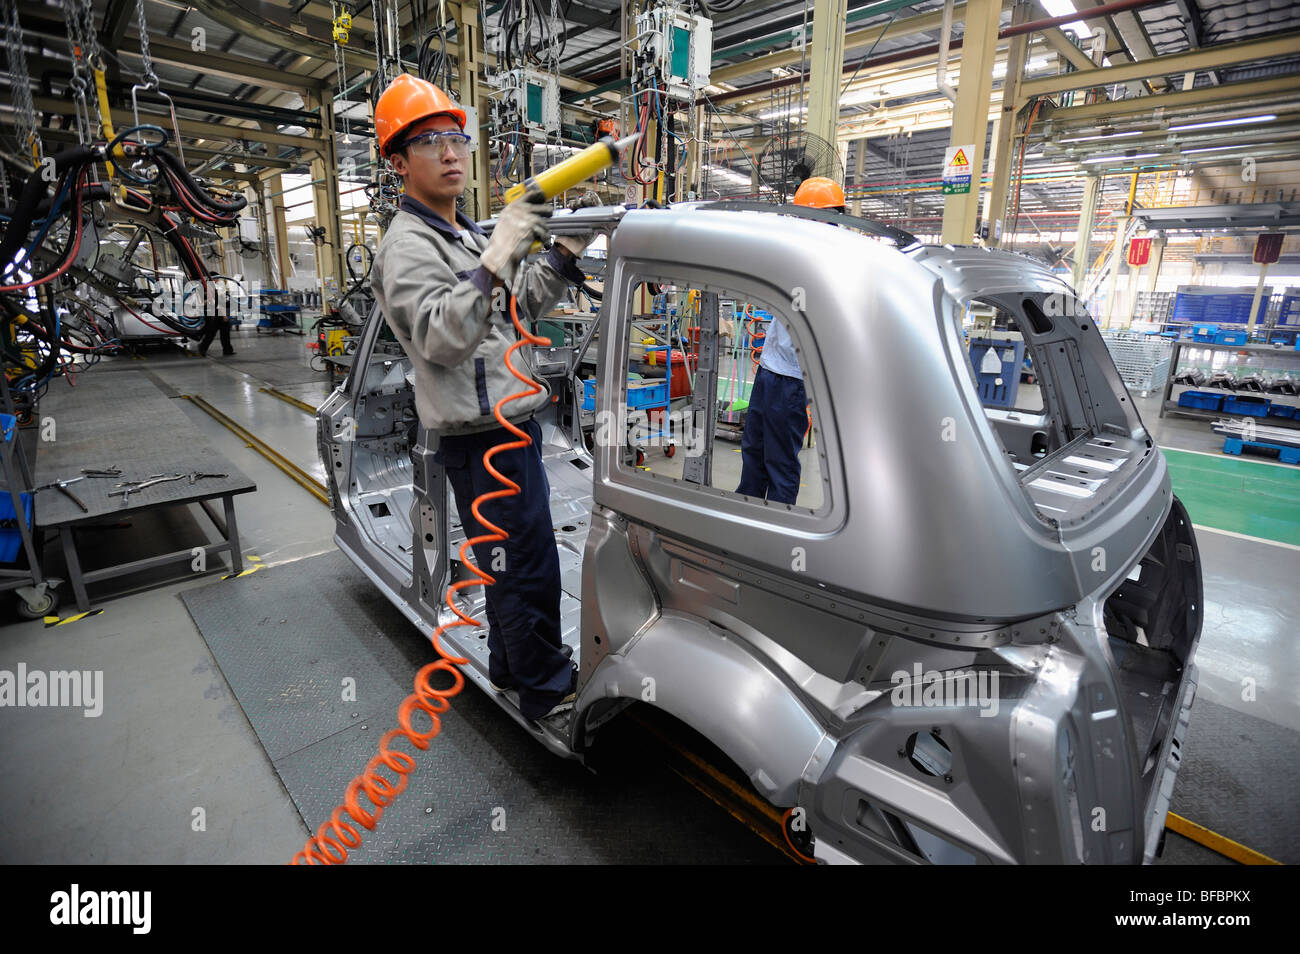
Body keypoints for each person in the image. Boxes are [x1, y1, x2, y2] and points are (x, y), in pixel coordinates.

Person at [370, 74, 593, 723]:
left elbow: (513, 309)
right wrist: (496, 255)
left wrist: (561, 255)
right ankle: (547, 688)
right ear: (398, 160)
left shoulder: (460, 235)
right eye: (429, 140)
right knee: (527, 566)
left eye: (455, 137)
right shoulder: (406, 248)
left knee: (505, 563)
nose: (449, 151)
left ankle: (508, 664)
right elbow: (442, 336)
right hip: (481, 439)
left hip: (509, 429)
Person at [735, 179, 844, 505]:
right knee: (753, 450)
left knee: (780, 461)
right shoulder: (800, 252)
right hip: (770, 368)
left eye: (807, 217)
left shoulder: (831, 260)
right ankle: (748, 512)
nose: (802, 224)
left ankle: (777, 528)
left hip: (793, 379)